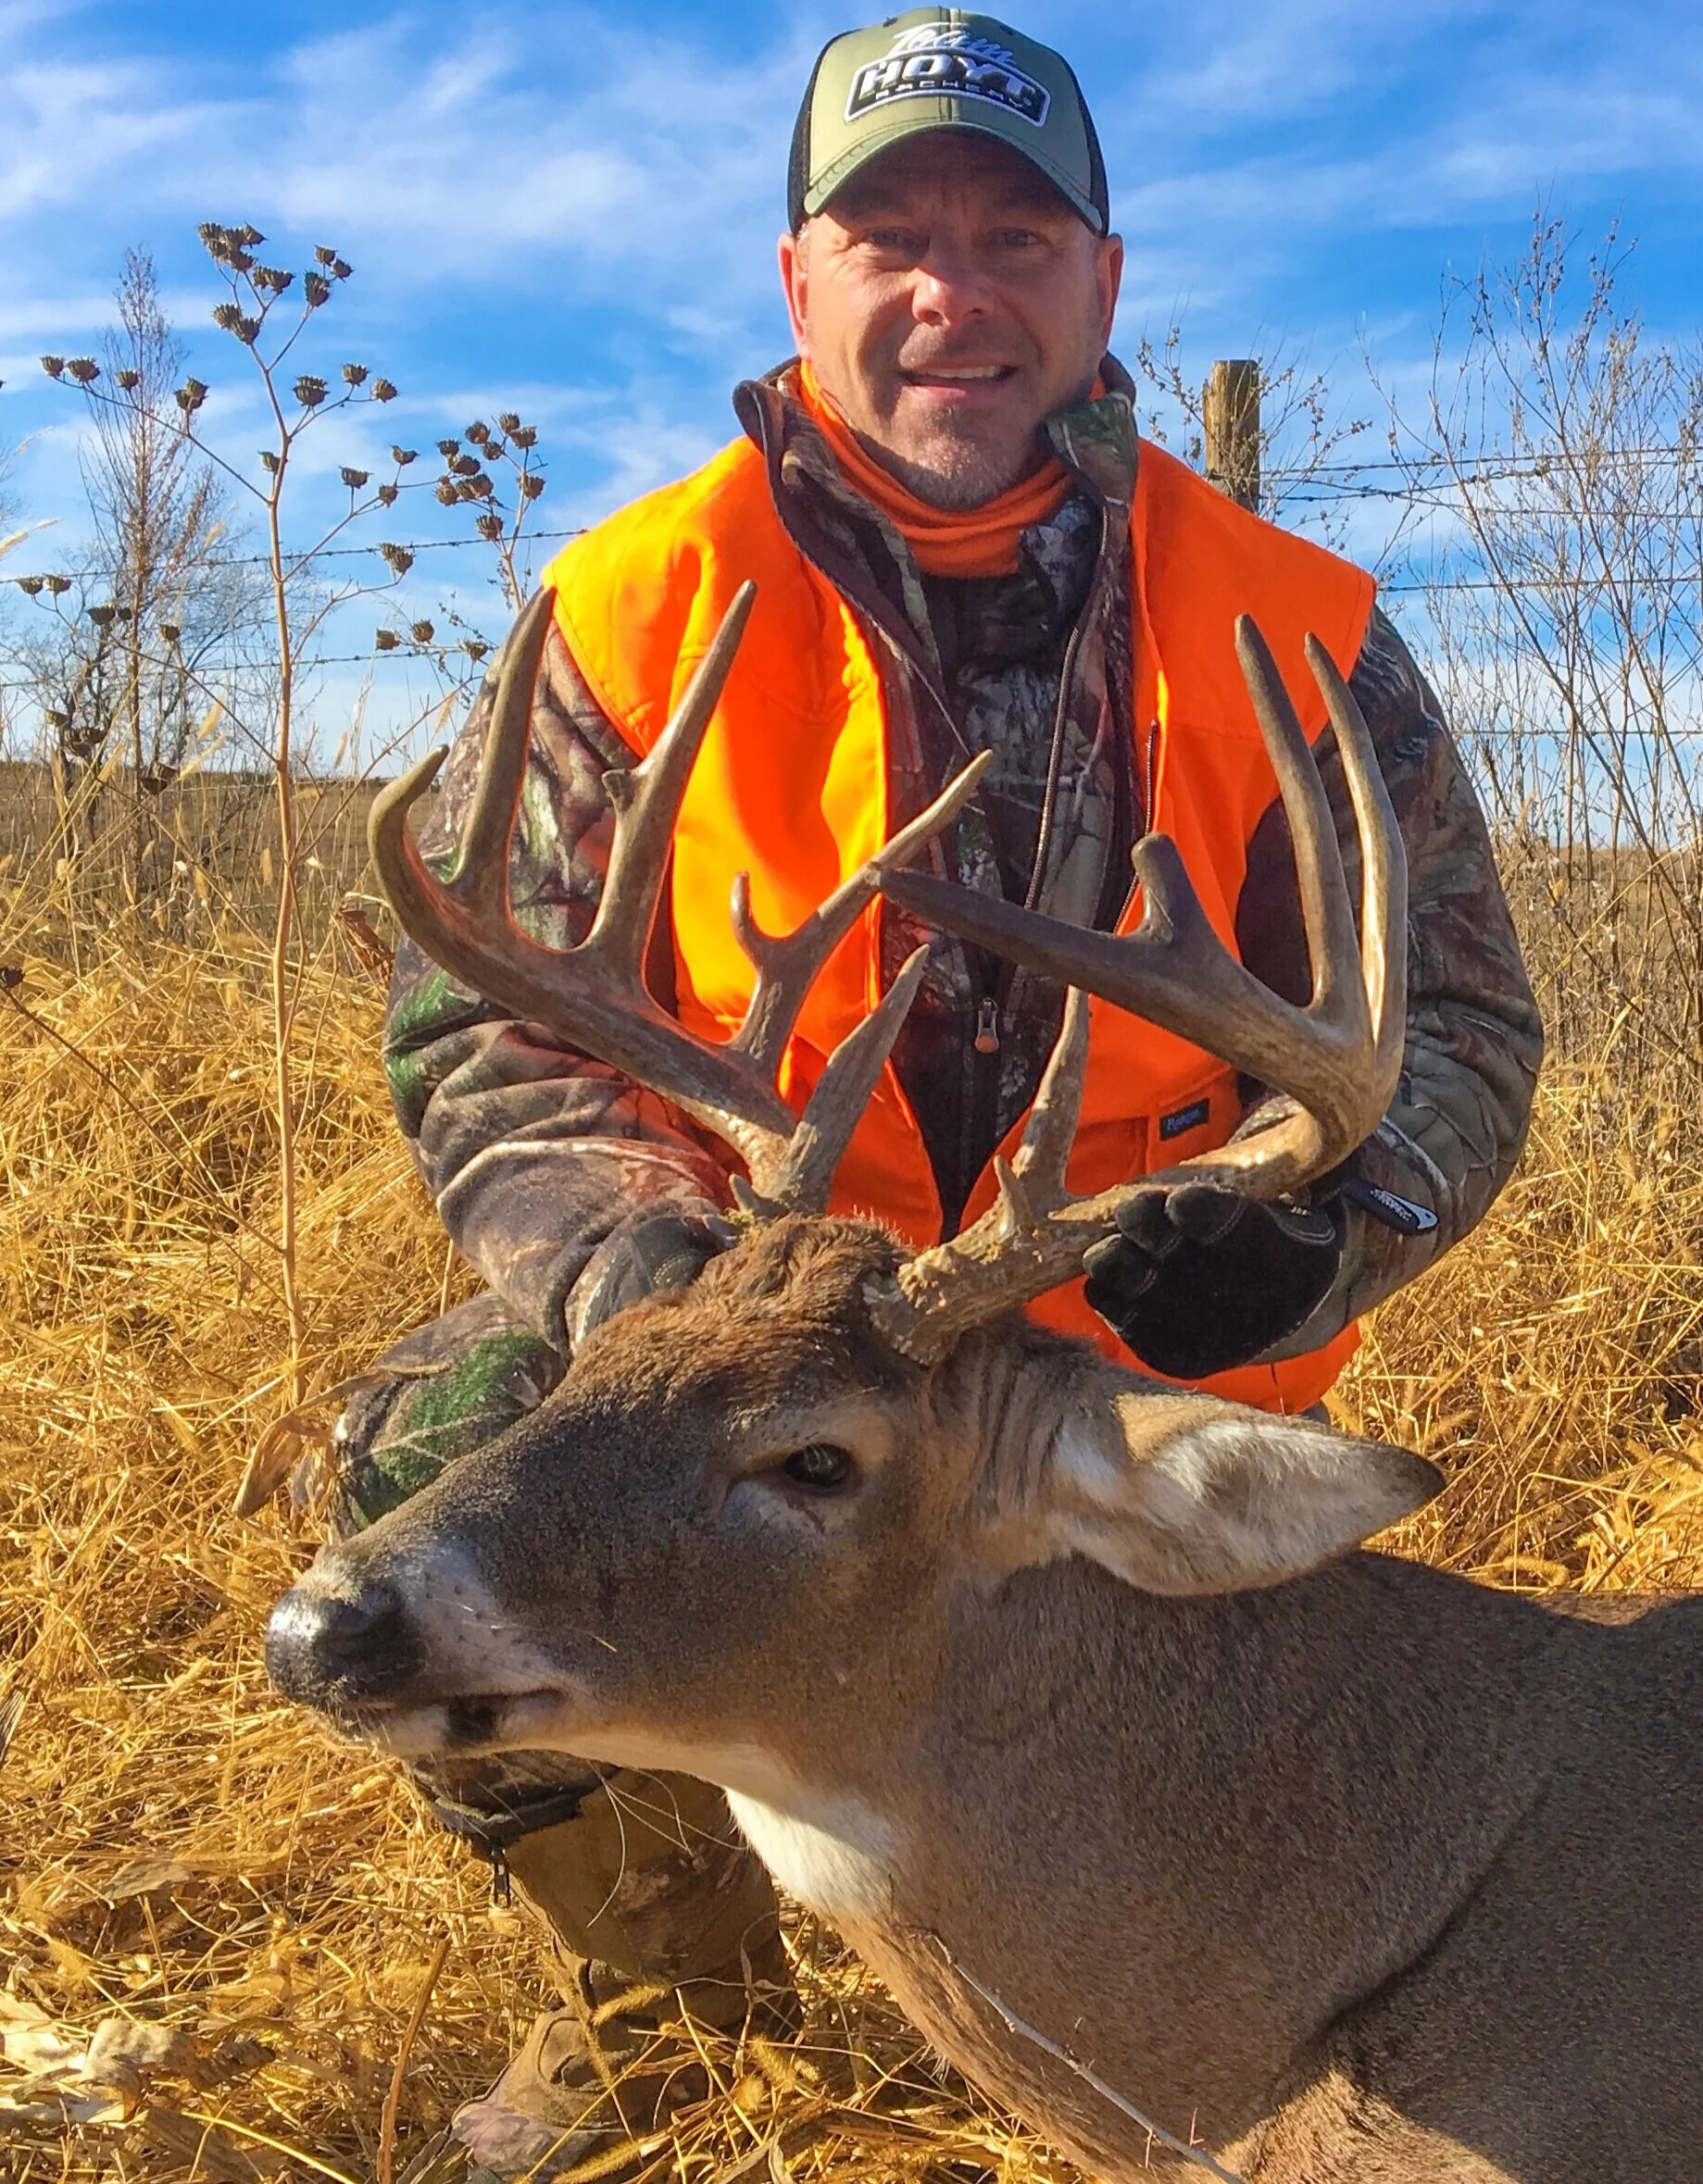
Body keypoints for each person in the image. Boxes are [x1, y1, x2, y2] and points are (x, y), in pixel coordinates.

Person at [332, 13, 1542, 2179]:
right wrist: (644, 1274)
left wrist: (1308, 1242)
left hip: (1112, 1381)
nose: (947, 290)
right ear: (798, 280)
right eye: (887, 233)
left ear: (1100, 280)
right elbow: (490, 1043)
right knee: (423, 1459)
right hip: (728, 1338)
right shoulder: (633, 610)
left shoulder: (1297, 636)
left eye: (1011, 234)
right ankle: (661, 2002)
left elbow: (1460, 1033)